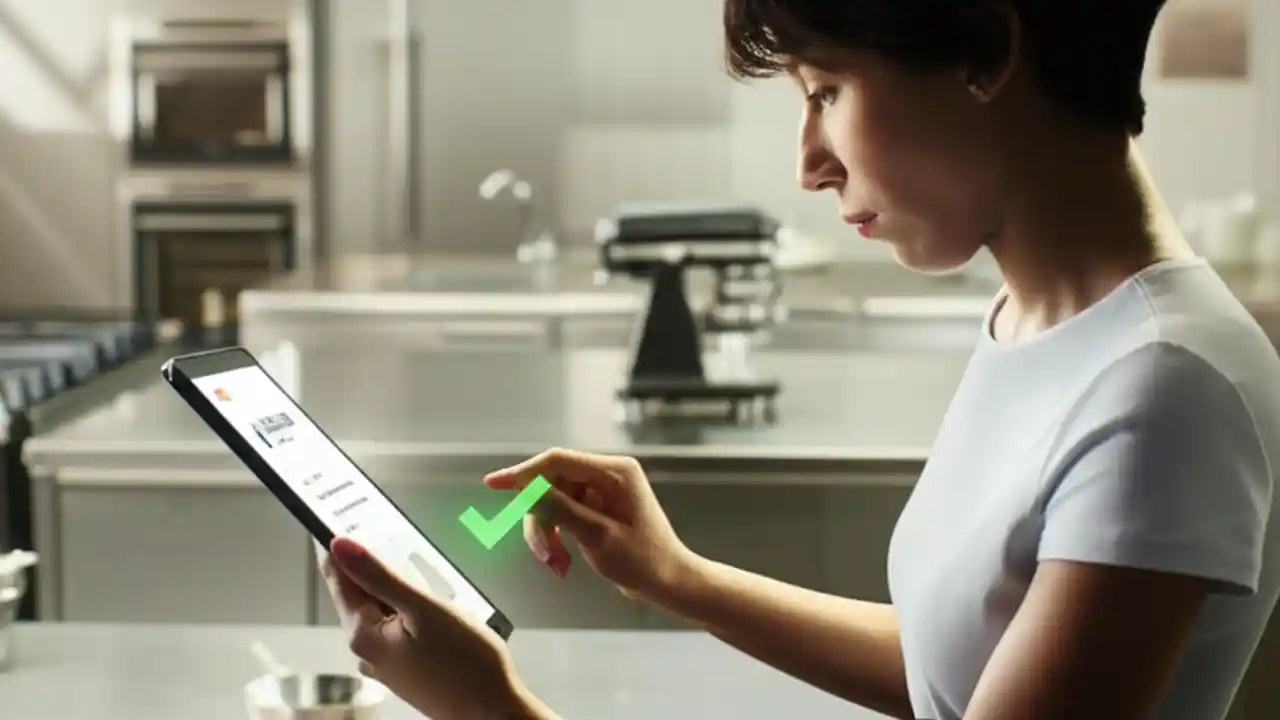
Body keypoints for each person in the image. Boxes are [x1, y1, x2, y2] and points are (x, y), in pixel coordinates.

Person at [315, 1, 1280, 718]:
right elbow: (958, 667)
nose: (809, 163)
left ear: (985, 52)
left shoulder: (1165, 392)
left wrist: (494, 710)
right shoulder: (1041, 325)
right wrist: (676, 576)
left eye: (826, 90)